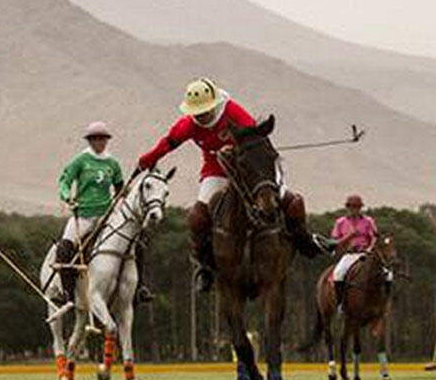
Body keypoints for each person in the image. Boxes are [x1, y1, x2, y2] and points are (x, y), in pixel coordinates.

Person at [134, 78, 334, 292]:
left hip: (250, 168)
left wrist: (236, 150)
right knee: (197, 218)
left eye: (205, 111)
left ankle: (306, 241)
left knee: (291, 202)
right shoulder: (188, 125)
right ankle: (204, 267)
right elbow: (167, 143)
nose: (202, 116)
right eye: (197, 112)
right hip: (216, 171)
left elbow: (257, 139)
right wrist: (145, 160)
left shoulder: (233, 111)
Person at [54, 121, 153, 307]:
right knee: (64, 248)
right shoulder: (80, 161)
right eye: (95, 139)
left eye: (103, 138)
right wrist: (68, 197)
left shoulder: (112, 163)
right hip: (83, 214)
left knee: (136, 242)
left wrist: (126, 197)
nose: (99, 142)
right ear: (89, 141)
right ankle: (66, 293)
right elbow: (64, 182)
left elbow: (119, 188)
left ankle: (140, 287)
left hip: (106, 215)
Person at [330, 194, 388, 313]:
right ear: (347, 207)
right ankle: (340, 303)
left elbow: (374, 237)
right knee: (338, 274)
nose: (354, 209)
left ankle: (385, 302)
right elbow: (335, 241)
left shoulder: (368, 221)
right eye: (352, 207)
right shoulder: (340, 222)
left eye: (357, 207)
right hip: (349, 254)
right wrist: (349, 237)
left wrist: (370, 248)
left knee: (388, 274)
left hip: (366, 253)